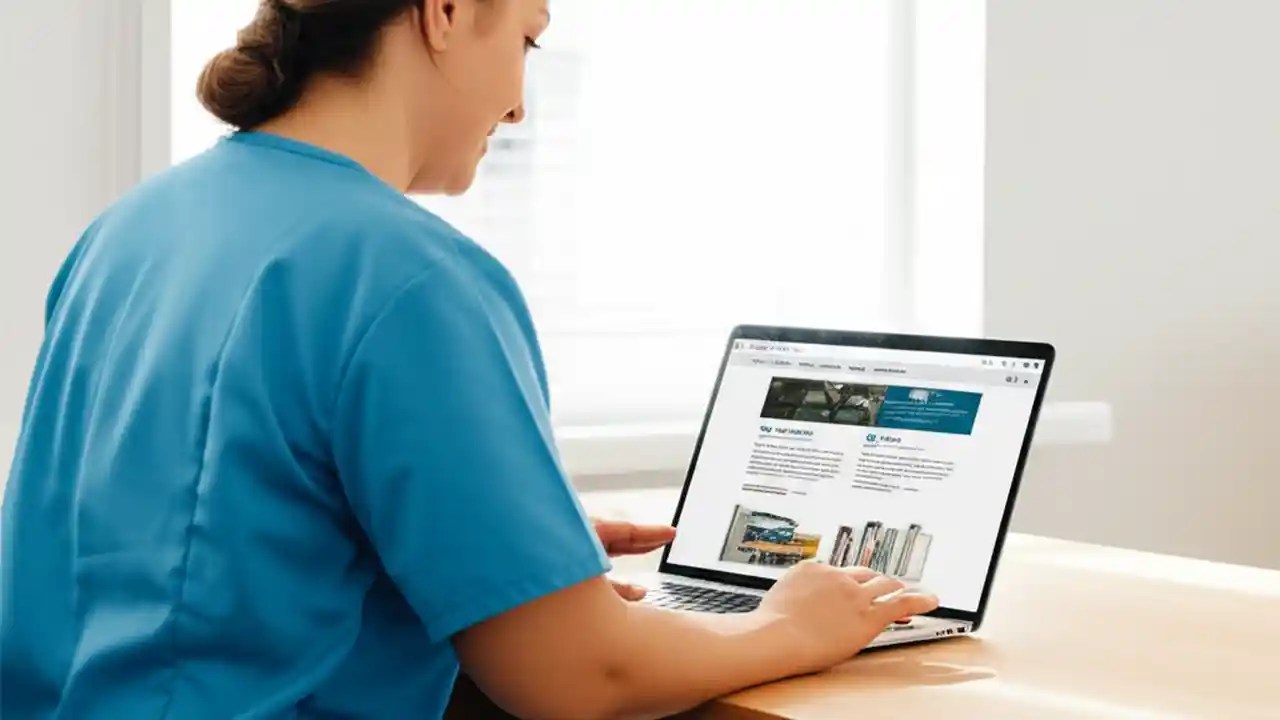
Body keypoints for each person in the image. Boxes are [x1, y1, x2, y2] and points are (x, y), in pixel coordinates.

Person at [0, 1, 938, 718]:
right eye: (526, 42)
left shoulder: (135, 227)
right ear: (444, 12)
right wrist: (790, 626)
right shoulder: (409, 274)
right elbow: (579, 677)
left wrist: (503, 549)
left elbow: (189, 533)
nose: (524, 105)